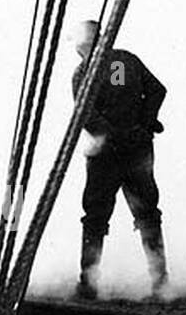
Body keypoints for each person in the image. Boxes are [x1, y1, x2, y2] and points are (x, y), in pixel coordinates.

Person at [71, 20, 168, 299]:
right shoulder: (127, 60)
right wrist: (145, 124)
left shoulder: (83, 74)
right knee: (148, 213)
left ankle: (88, 283)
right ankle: (160, 282)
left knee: (95, 217)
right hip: (138, 148)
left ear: (82, 45)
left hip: (106, 156)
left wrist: (113, 135)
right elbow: (158, 90)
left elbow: (86, 116)